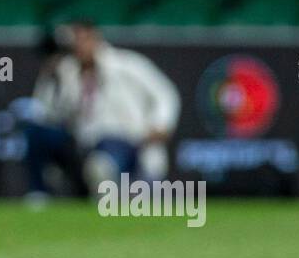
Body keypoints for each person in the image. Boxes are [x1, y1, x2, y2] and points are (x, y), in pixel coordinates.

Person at [18, 21, 179, 202]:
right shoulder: (66, 72)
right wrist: (51, 78)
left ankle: (108, 184)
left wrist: (160, 124)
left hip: (125, 139)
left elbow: (164, 93)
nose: (79, 46)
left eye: (83, 39)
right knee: (37, 133)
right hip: (83, 142)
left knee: (105, 159)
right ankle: (39, 193)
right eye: (74, 42)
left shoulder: (125, 64)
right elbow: (47, 112)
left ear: (95, 38)